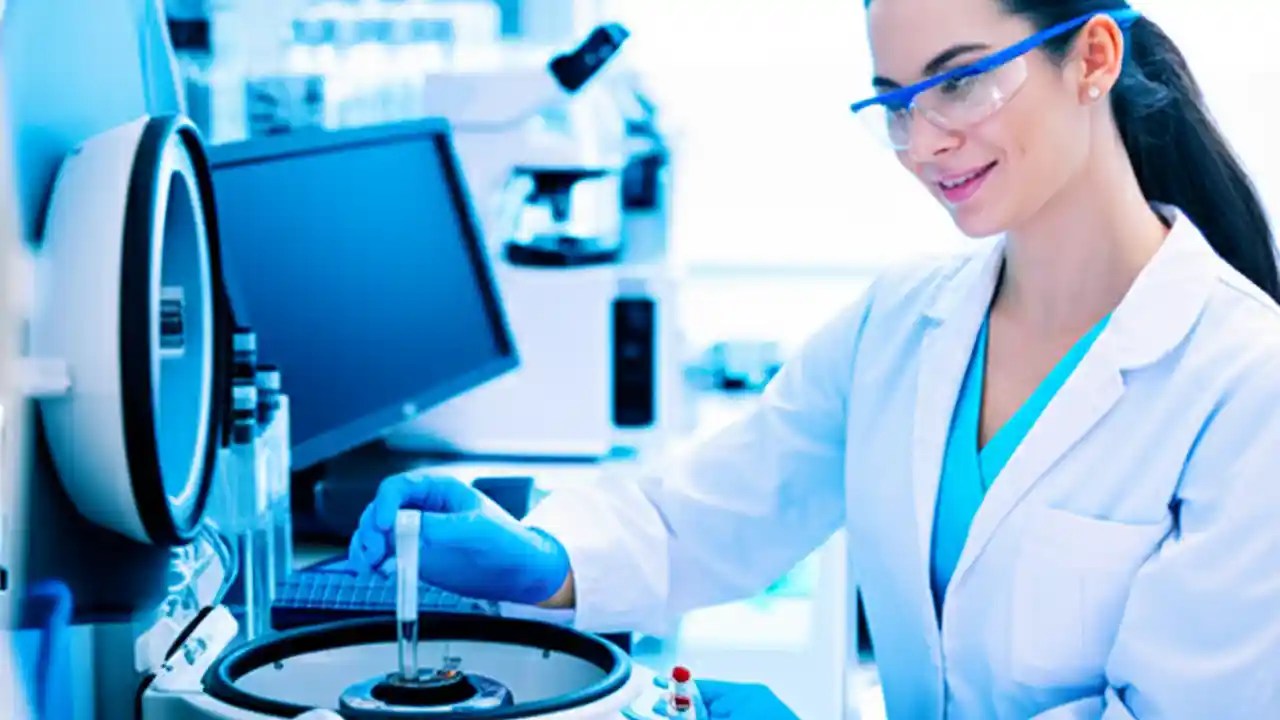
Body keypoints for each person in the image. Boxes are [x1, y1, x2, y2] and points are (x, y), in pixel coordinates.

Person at [349, 0, 1280, 717]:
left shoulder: (1243, 383)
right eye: (895, 102)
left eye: (958, 82)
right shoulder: (905, 319)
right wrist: (538, 555)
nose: (922, 143)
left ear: (1093, 59)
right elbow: (706, 519)